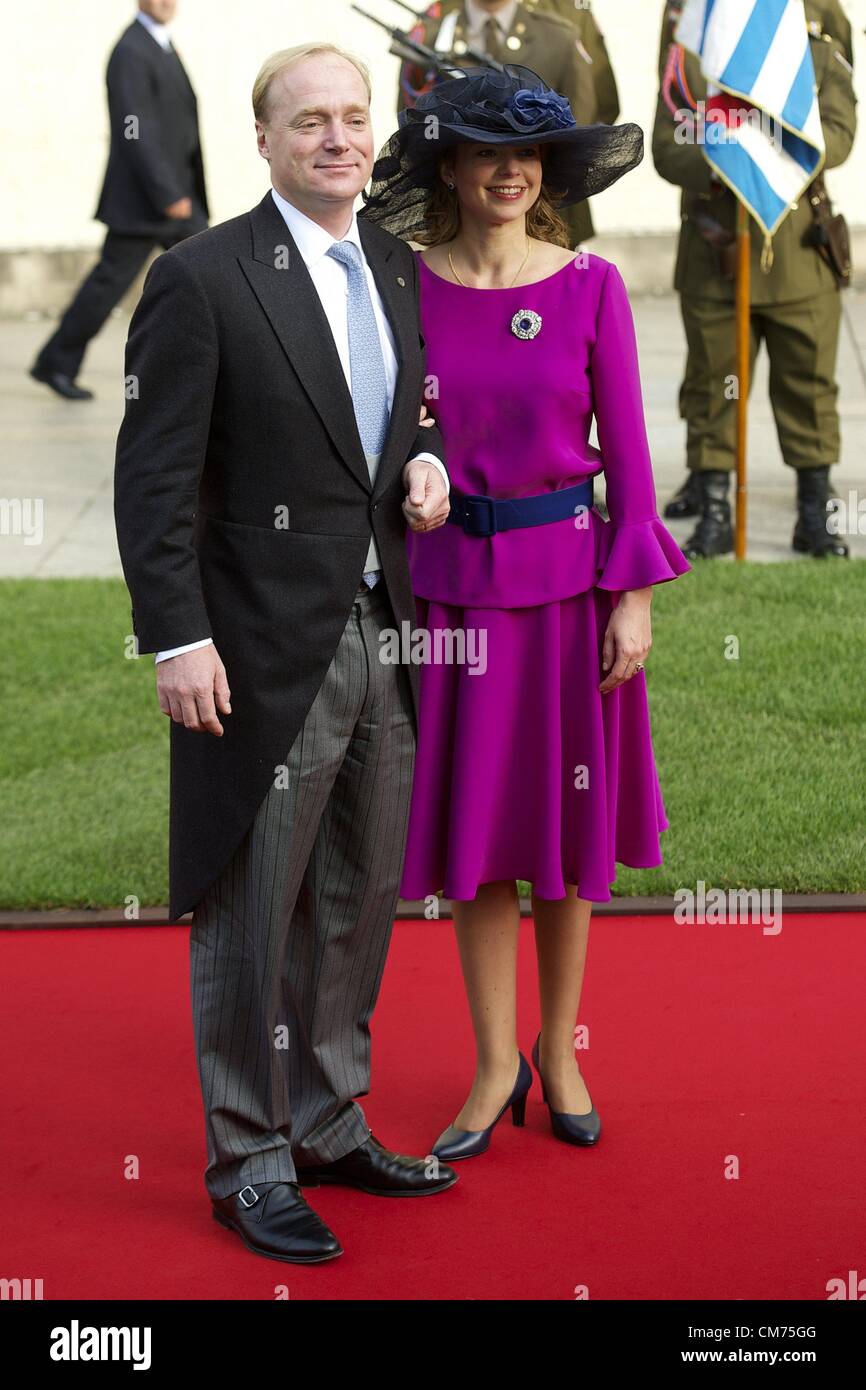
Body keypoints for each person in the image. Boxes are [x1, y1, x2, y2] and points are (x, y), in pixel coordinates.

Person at [114, 42, 457, 1266]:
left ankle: (323, 1117)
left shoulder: (396, 268)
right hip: (255, 650)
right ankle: (249, 1157)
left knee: (356, 897)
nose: (337, 138)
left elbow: (408, 417)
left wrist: (424, 466)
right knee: (255, 906)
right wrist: (177, 638)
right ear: (262, 141)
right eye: (308, 119)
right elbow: (151, 480)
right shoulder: (201, 278)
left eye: (354, 118)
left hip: (384, 632)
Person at [360, 64, 691, 1160]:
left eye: (527, 153)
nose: (509, 170)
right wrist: (413, 459)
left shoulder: (590, 286)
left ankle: (559, 1052)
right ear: (447, 167)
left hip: (567, 599)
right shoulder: (403, 286)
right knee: (480, 841)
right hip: (451, 595)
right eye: (486, 150)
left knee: (562, 827)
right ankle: (491, 1063)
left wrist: (632, 597)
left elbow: (632, 466)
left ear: (542, 172)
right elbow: (393, 424)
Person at [652, 0, 857, 558]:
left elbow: (839, 130)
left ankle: (815, 515)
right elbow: (668, 148)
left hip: (797, 251)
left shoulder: (813, 36)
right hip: (717, 248)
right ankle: (715, 513)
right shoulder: (696, 40)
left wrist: (773, 150)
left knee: (809, 387)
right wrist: (728, 155)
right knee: (715, 386)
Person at [30, 0, 209, 401]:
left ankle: (55, 361)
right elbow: (134, 129)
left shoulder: (159, 44)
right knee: (114, 285)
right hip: (153, 202)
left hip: (173, 194)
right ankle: (56, 362)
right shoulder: (131, 49)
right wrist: (167, 195)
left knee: (207, 274)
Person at [397, 0, 599, 245]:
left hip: (549, 224)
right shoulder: (429, 37)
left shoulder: (558, 37)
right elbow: (416, 134)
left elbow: (579, 129)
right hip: (454, 226)